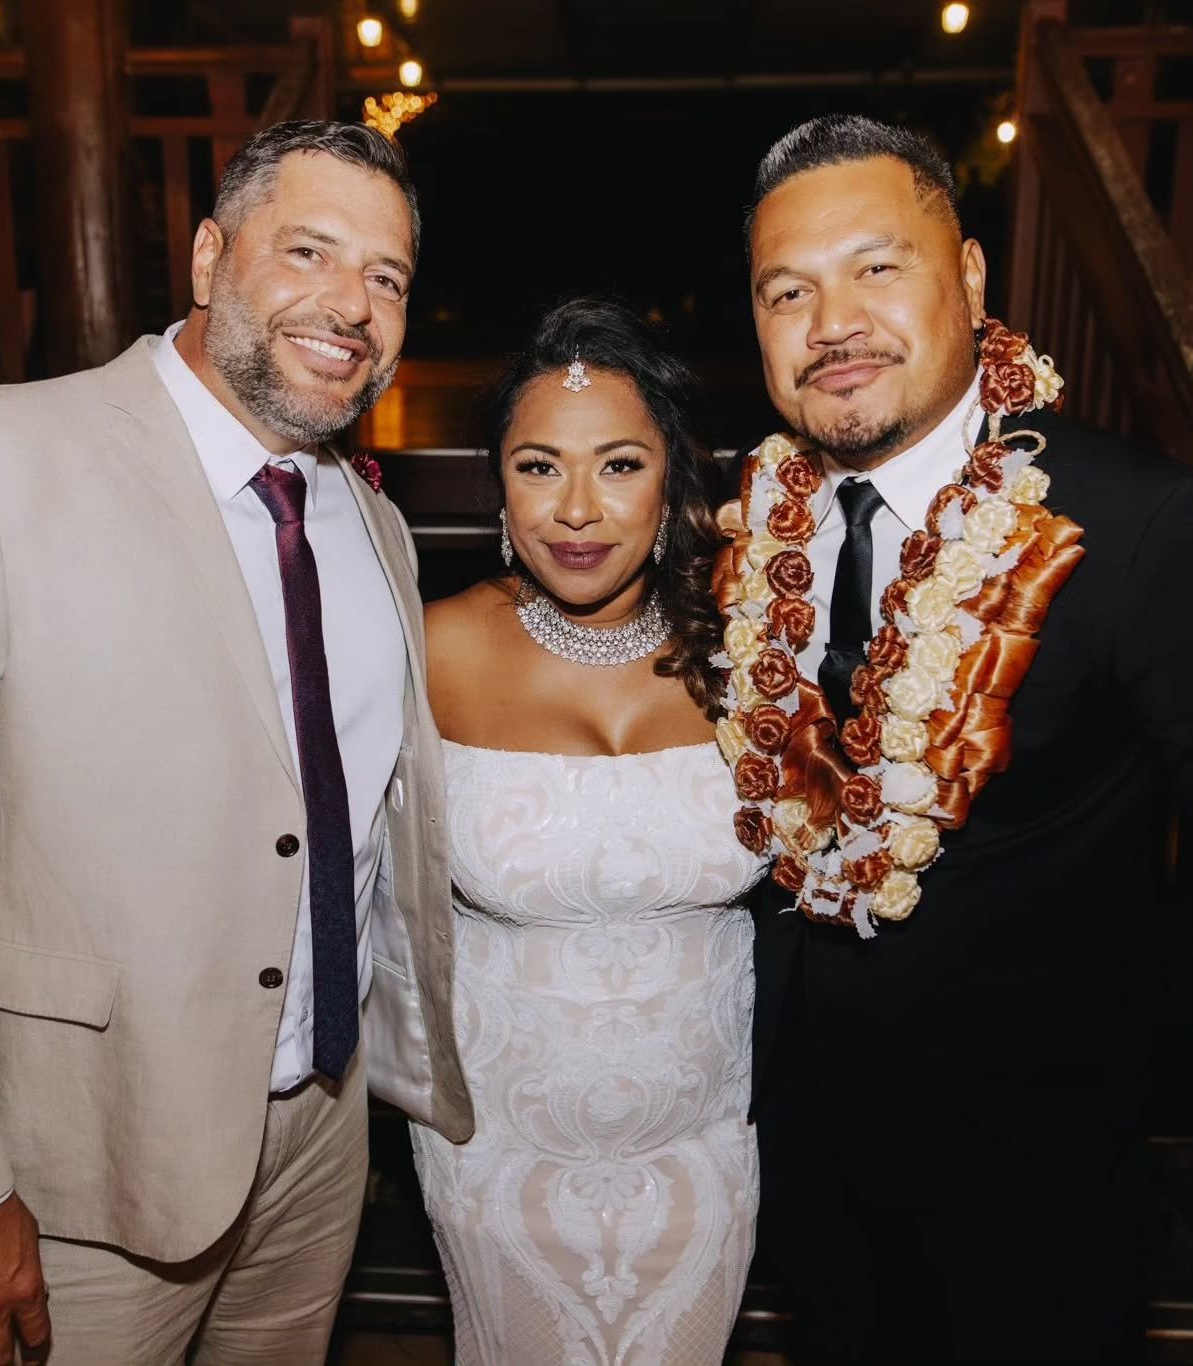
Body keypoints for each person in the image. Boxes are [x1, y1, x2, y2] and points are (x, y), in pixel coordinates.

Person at [0, 119, 471, 1365]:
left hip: (320, 1151)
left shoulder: (366, 523)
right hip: (72, 1173)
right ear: (207, 256)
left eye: (385, 278)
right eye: (310, 252)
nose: (351, 304)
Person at [720, 114, 1193, 1364]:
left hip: (1037, 1194)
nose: (833, 325)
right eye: (788, 290)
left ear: (970, 276)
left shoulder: (1138, 524)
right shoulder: (752, 529)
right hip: (810, 1173)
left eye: (877, 267)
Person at [409, 298, 766, 1365]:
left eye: (617, 465)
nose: (575, 509)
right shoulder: (432, 649)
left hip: (702, 1159)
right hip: (499, 1163)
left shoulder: (753, 654)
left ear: (671, 480)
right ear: (498, 482)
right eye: (536, 466)